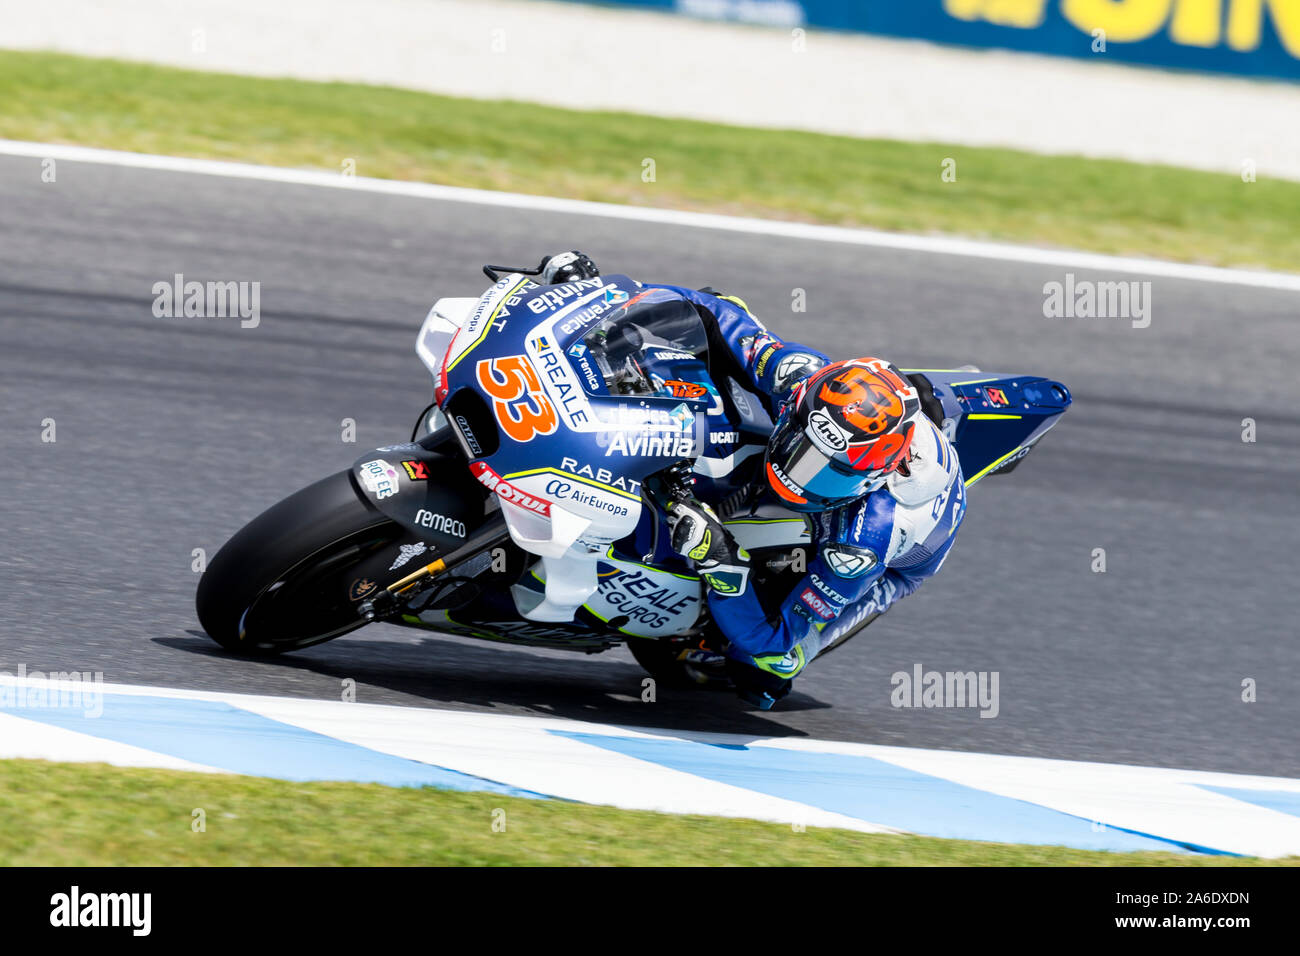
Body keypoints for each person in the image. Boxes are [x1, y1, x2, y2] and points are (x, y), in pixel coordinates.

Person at [541, 252, 967, 709]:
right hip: (852, 443)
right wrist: (608, 311)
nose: (800, 474)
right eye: (801, 448)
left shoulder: (864, 540)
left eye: (826, 471)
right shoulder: (800, 378)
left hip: (895, 561)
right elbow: (716, 310)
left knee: (767, 667)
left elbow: (775, 638)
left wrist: (720, 561)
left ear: (870, 479)